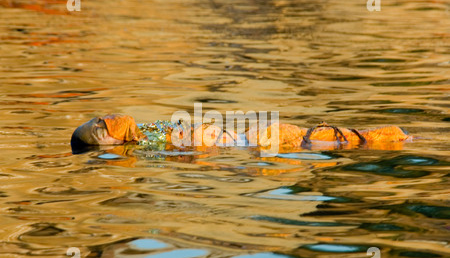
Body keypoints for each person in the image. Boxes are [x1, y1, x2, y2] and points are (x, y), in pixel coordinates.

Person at [71, 114, 413, 153]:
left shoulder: (135, 135)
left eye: (101, 131)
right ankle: (391, 138)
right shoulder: (139, 141)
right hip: (253, 141)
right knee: (319, 143)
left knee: (323, 142)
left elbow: (121, 123)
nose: (103, 135)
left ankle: (393, 137)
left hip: (257, 140)